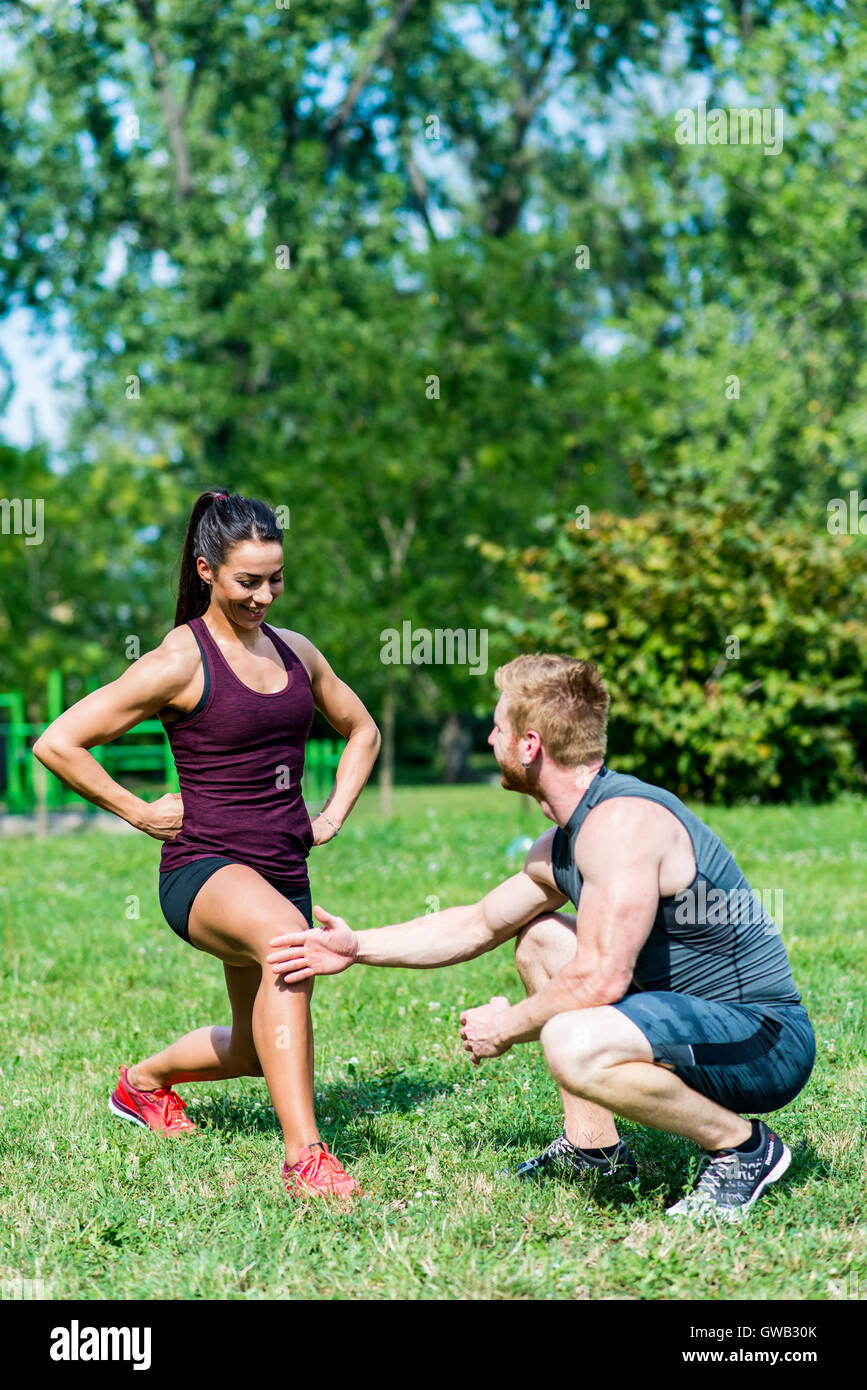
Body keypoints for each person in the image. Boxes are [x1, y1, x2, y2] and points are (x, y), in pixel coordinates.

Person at [267, 654, 815, 1222]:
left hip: (764, 1040)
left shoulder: (621, 826)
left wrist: (506, 1026)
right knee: (539, 940)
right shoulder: (566, 840)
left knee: (572, 1042)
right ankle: (593, 1150)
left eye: (498, 727)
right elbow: (478, 922)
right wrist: (358, 948)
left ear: (529, 745)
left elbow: (601, 976)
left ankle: (743, 1148)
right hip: (693, 1019)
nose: (489, 737)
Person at [33, 488, 380, 1199]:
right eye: (247, 581)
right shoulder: (177, 661)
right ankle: (304, 1157)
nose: (264, 595)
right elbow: (58, 741)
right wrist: (137, 811)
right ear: (205, 571)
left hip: (283, 867)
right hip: (203, 868)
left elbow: (363, 730)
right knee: (290, 941)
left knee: (258, 1049)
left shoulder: (296, 652)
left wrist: (334, 812)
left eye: (274, 579)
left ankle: (142, 1084)